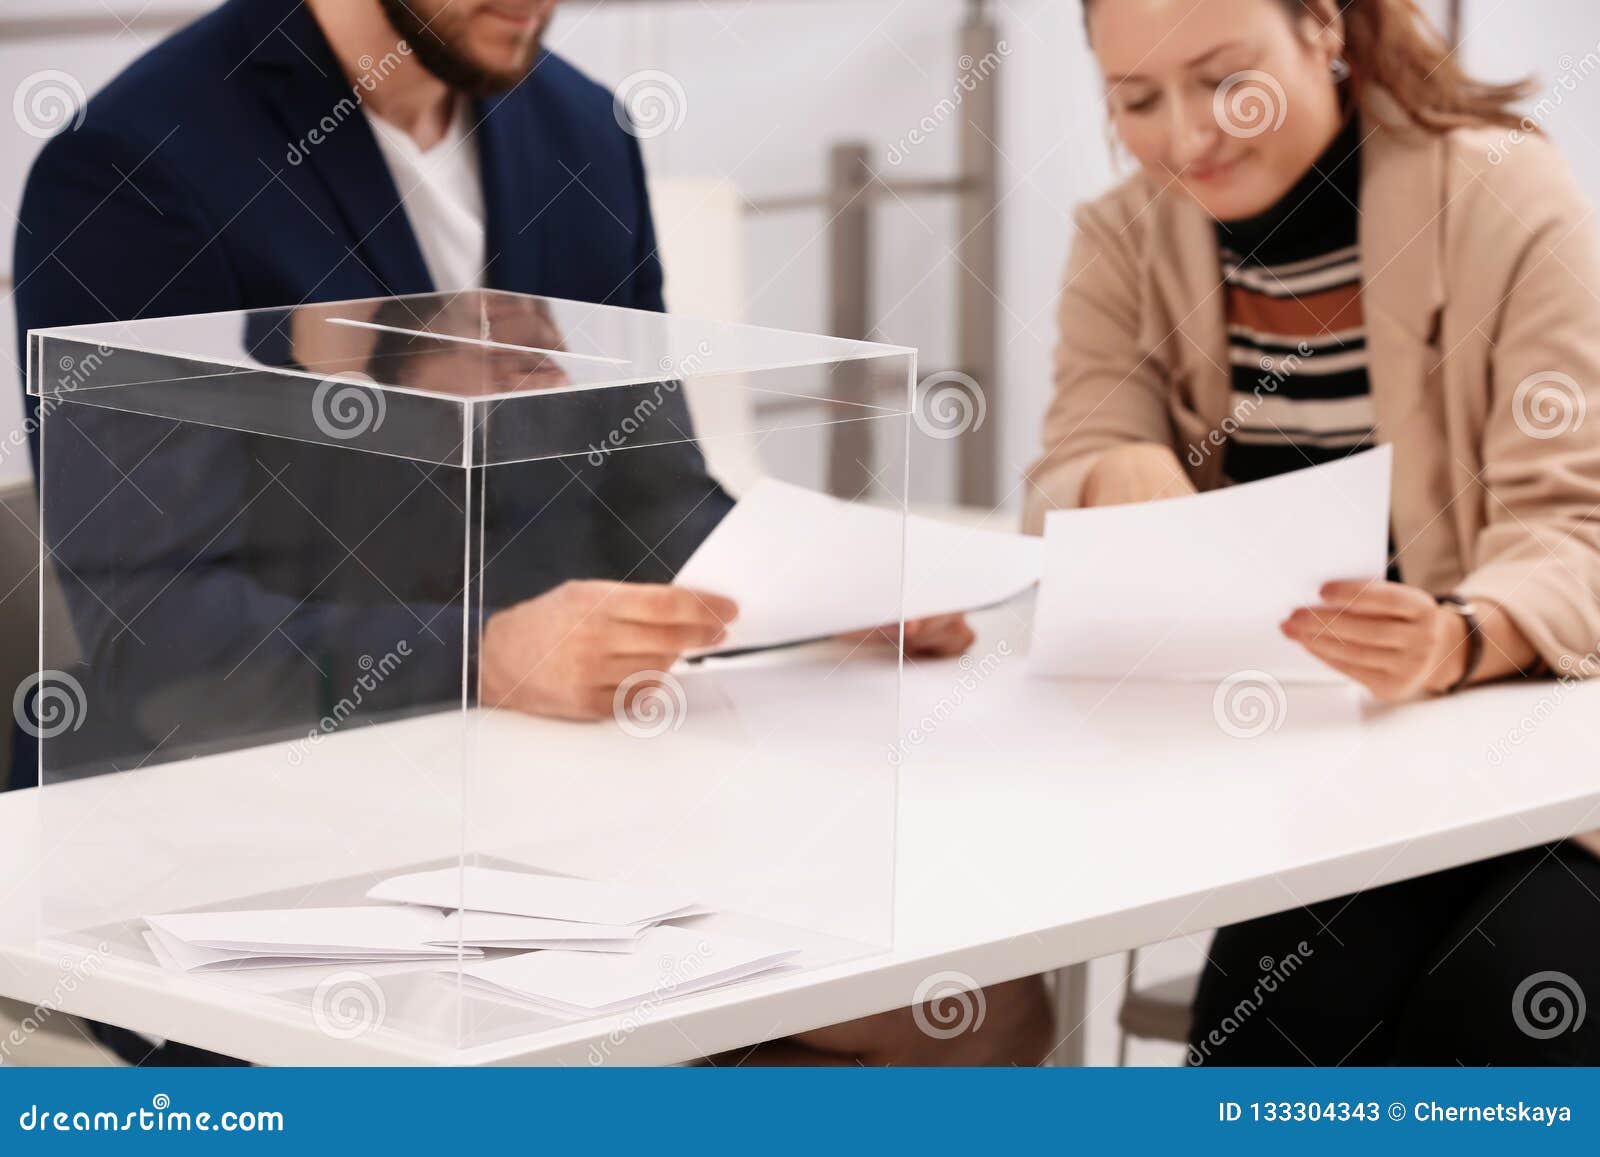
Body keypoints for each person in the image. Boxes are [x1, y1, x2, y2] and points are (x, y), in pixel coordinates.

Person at [14, 0, 1046, 1065]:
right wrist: (486, 655)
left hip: (557, 812)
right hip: (247, 837)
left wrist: (820, 589)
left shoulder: (580, 128)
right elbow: (157, 620)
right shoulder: (137, 168)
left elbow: (655, 499)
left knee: (978, 1000)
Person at [1028, 0, 1600, 1064]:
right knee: (1272, 1032)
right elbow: (1073, 448)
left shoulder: (1499, 194)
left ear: (1324, 29)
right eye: (1137, 100)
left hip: (1537, 765)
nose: (1189, 137)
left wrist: (1462, 632)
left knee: (1503, 1007)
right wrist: (1117, 470)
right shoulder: (1123, 236)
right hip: (1328, 782)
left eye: (1221, 77)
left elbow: (1576, 523)